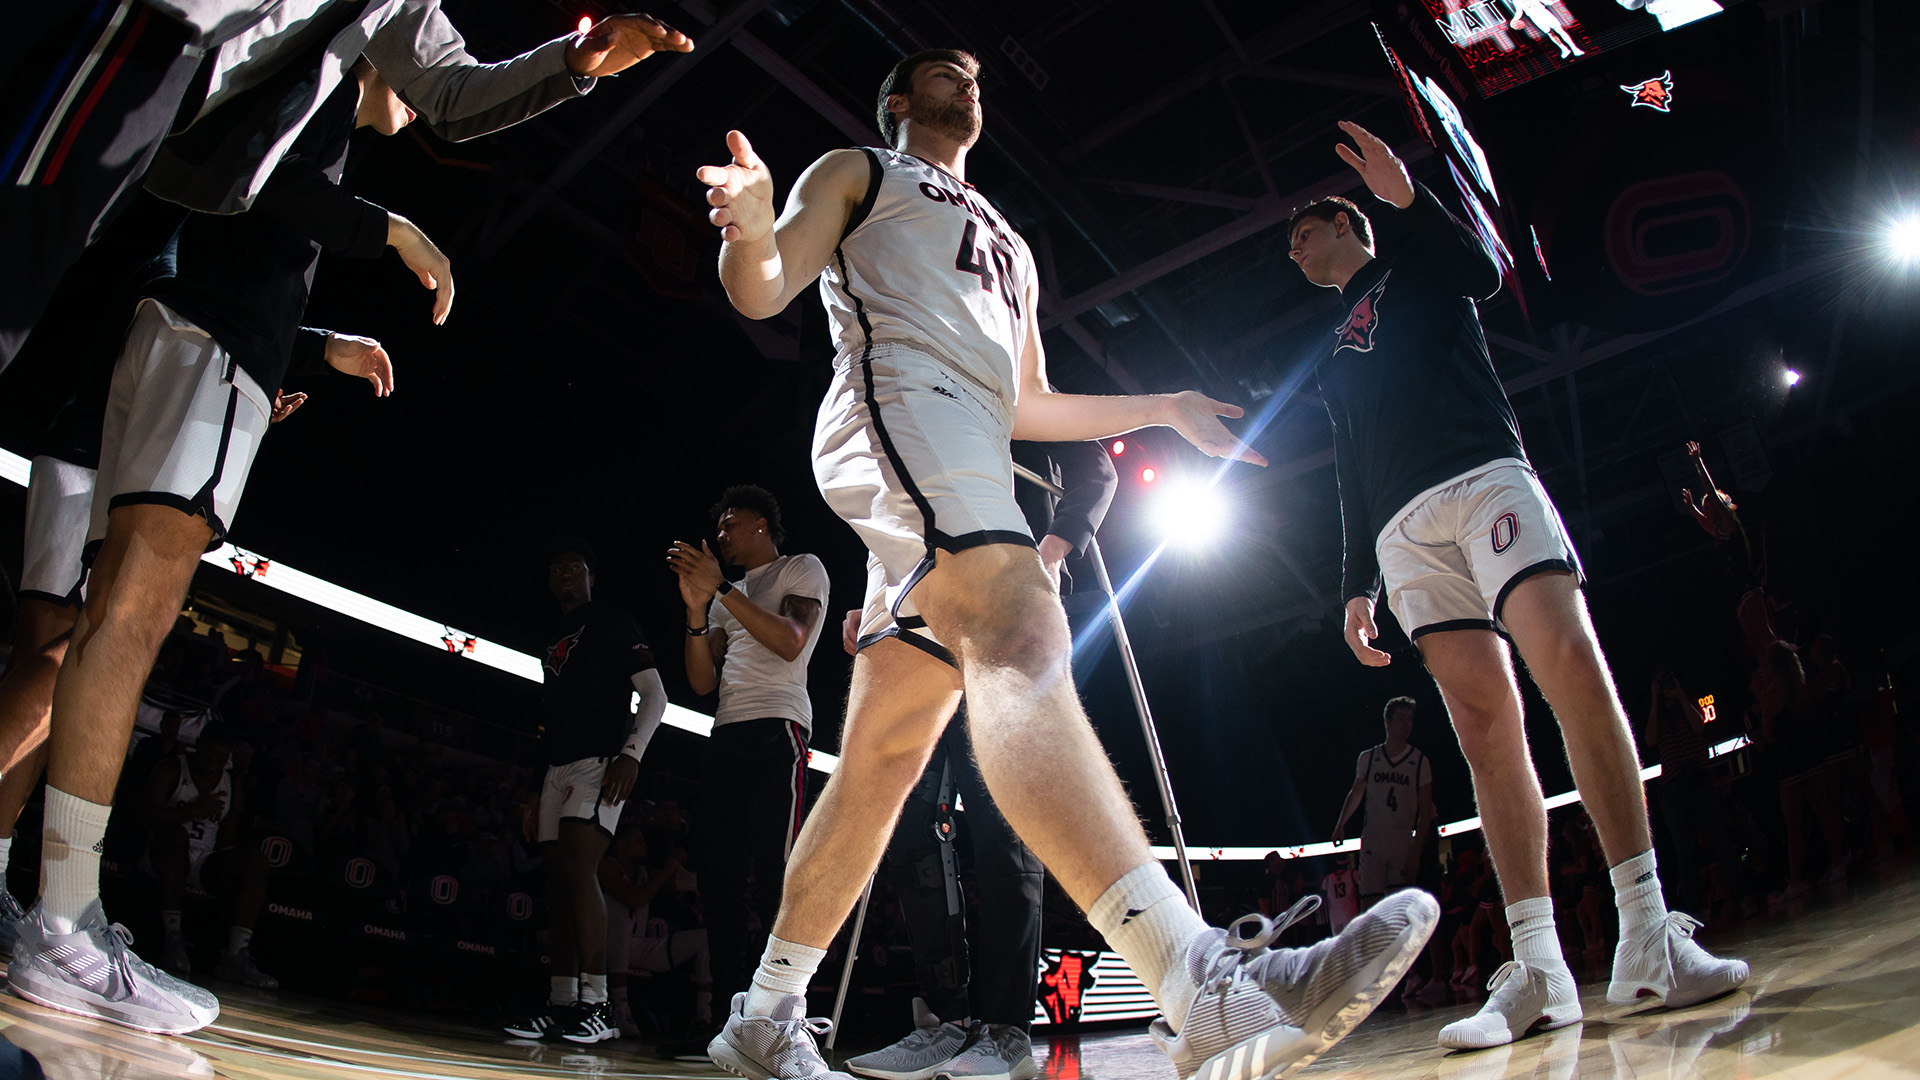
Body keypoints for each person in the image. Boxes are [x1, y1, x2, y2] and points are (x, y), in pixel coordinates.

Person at [696, 50, 1436, 1080]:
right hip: (898, 407)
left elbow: (1031, 401)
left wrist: (1162, 406)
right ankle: (1201, 984)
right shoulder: (858, 168)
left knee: (883, 757)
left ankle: (765, 1015)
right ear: (900, 100)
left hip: (968, 442)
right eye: (944, 71)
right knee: (1020, 623)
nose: (972, 77)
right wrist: (750, 224)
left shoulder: (1009, 240)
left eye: (978, 71)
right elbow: (767, 283)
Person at [1286, 120, 1747, 1052]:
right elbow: (1349, 465)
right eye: (1290, 240)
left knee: (1571, 670)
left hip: (1484, 476)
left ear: (1355, 224)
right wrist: (1353, 583)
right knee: (1485, 733)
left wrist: (1403, 194)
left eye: (1310, 225)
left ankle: (1649, 931)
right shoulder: (1333, 344)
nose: (1294, 242)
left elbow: (1487, 271)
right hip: (1402, 530)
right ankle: (1538, 966)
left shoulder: (1417, 253)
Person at [6, 55, 436, 1037]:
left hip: (171, 342)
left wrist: (315, 340)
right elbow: (259, 189)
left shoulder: (300, 107)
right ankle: (64, 923)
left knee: (80, 643)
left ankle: (55, 913)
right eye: (418, 61)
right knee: (110, 631)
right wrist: (391, 231)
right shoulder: (313, 96)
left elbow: (243, 226)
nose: (426, 88)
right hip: (180, 357)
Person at [1, 1, 692, 369]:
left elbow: (451, 95)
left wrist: (577, 61)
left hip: (169, 84)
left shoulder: (400, 7)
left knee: (28, 272)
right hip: (126, 30)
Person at [846, 440, 1114, 1080]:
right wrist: (874, 600)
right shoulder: (912, 406)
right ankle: (945, 1017)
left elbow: (1096, 469)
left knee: (1002, 826)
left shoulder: (1004, 385)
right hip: (919, 632)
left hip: (1002, 621)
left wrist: (1053, 550)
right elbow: (896, 517)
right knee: (911, 825)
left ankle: (1005, 1030)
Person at [666, 485, 830, 1055]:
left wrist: (722, 591)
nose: (722, 534)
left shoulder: (800, 568)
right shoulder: (719, 599)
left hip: (778, 727)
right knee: (719, 879)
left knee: (776, 869)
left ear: (762, 522)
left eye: (731, 522)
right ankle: (730, 1021)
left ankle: (785, 1014)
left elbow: (791, 640)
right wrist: (695, 611)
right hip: (727, 732)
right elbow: (702, 682)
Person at [501, 539, 668, 1044]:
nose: (565, 573)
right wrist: (534, 788)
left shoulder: (615, 622)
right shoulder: (553, 635)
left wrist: (631, 754)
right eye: (557, 568)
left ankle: (599, 1006)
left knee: (579, 869)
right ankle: (562, 1004)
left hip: (600, 763)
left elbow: (656, 695)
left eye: (575, 566)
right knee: (557, 883)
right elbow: (548, 722)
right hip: (554, 766)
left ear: (591, 576)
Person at [139, 719, 277, 989]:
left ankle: (236, 956)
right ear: (198, 746)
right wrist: (190, 811)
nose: (213, 766)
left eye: (220, 760)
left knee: (255, 861)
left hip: (200, 863)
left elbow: (227, 838)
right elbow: (143, 817)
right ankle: (173, 939)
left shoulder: (230, 785)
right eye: (208, 758)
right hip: (162, 857)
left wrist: (233, 870)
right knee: (176, 836)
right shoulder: (171, 769)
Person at [1642, 669, 1748, 918]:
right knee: (1685, 853)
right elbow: (1650, 740)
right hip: (1673, 789)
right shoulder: (1659, 716)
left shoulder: (1686, 705)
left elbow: (1698, 726)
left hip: (1699, 781)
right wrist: (1654, 700)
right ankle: (1695, 914)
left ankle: (1744, 898)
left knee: (1720, 843)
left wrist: (1680, 695)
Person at [601, 821, 710, 1039]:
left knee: (703, 939)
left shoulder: (646, 872)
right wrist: (664, 874)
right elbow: (633, 899)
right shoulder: (607, 866)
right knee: (622, 917)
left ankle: (704, 1017)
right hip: (603, 946)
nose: (644, 845)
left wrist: (683, 868)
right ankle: (620, 1007)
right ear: (621, 844)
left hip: (638, 945)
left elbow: (683, 882)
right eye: (637, 841)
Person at [1331, 697, 1434, 910]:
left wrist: (1415, 854)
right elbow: (1356, 792)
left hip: (1402, 842)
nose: (1406, 725)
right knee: (1371, 909)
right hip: (1373, 840)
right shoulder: (1369, 758)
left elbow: (1426, 811)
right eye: (1401, 718)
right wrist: (1340, 825)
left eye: (1410, 719)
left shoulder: (1419, 761)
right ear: (1387, 721)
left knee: (1399, 913)